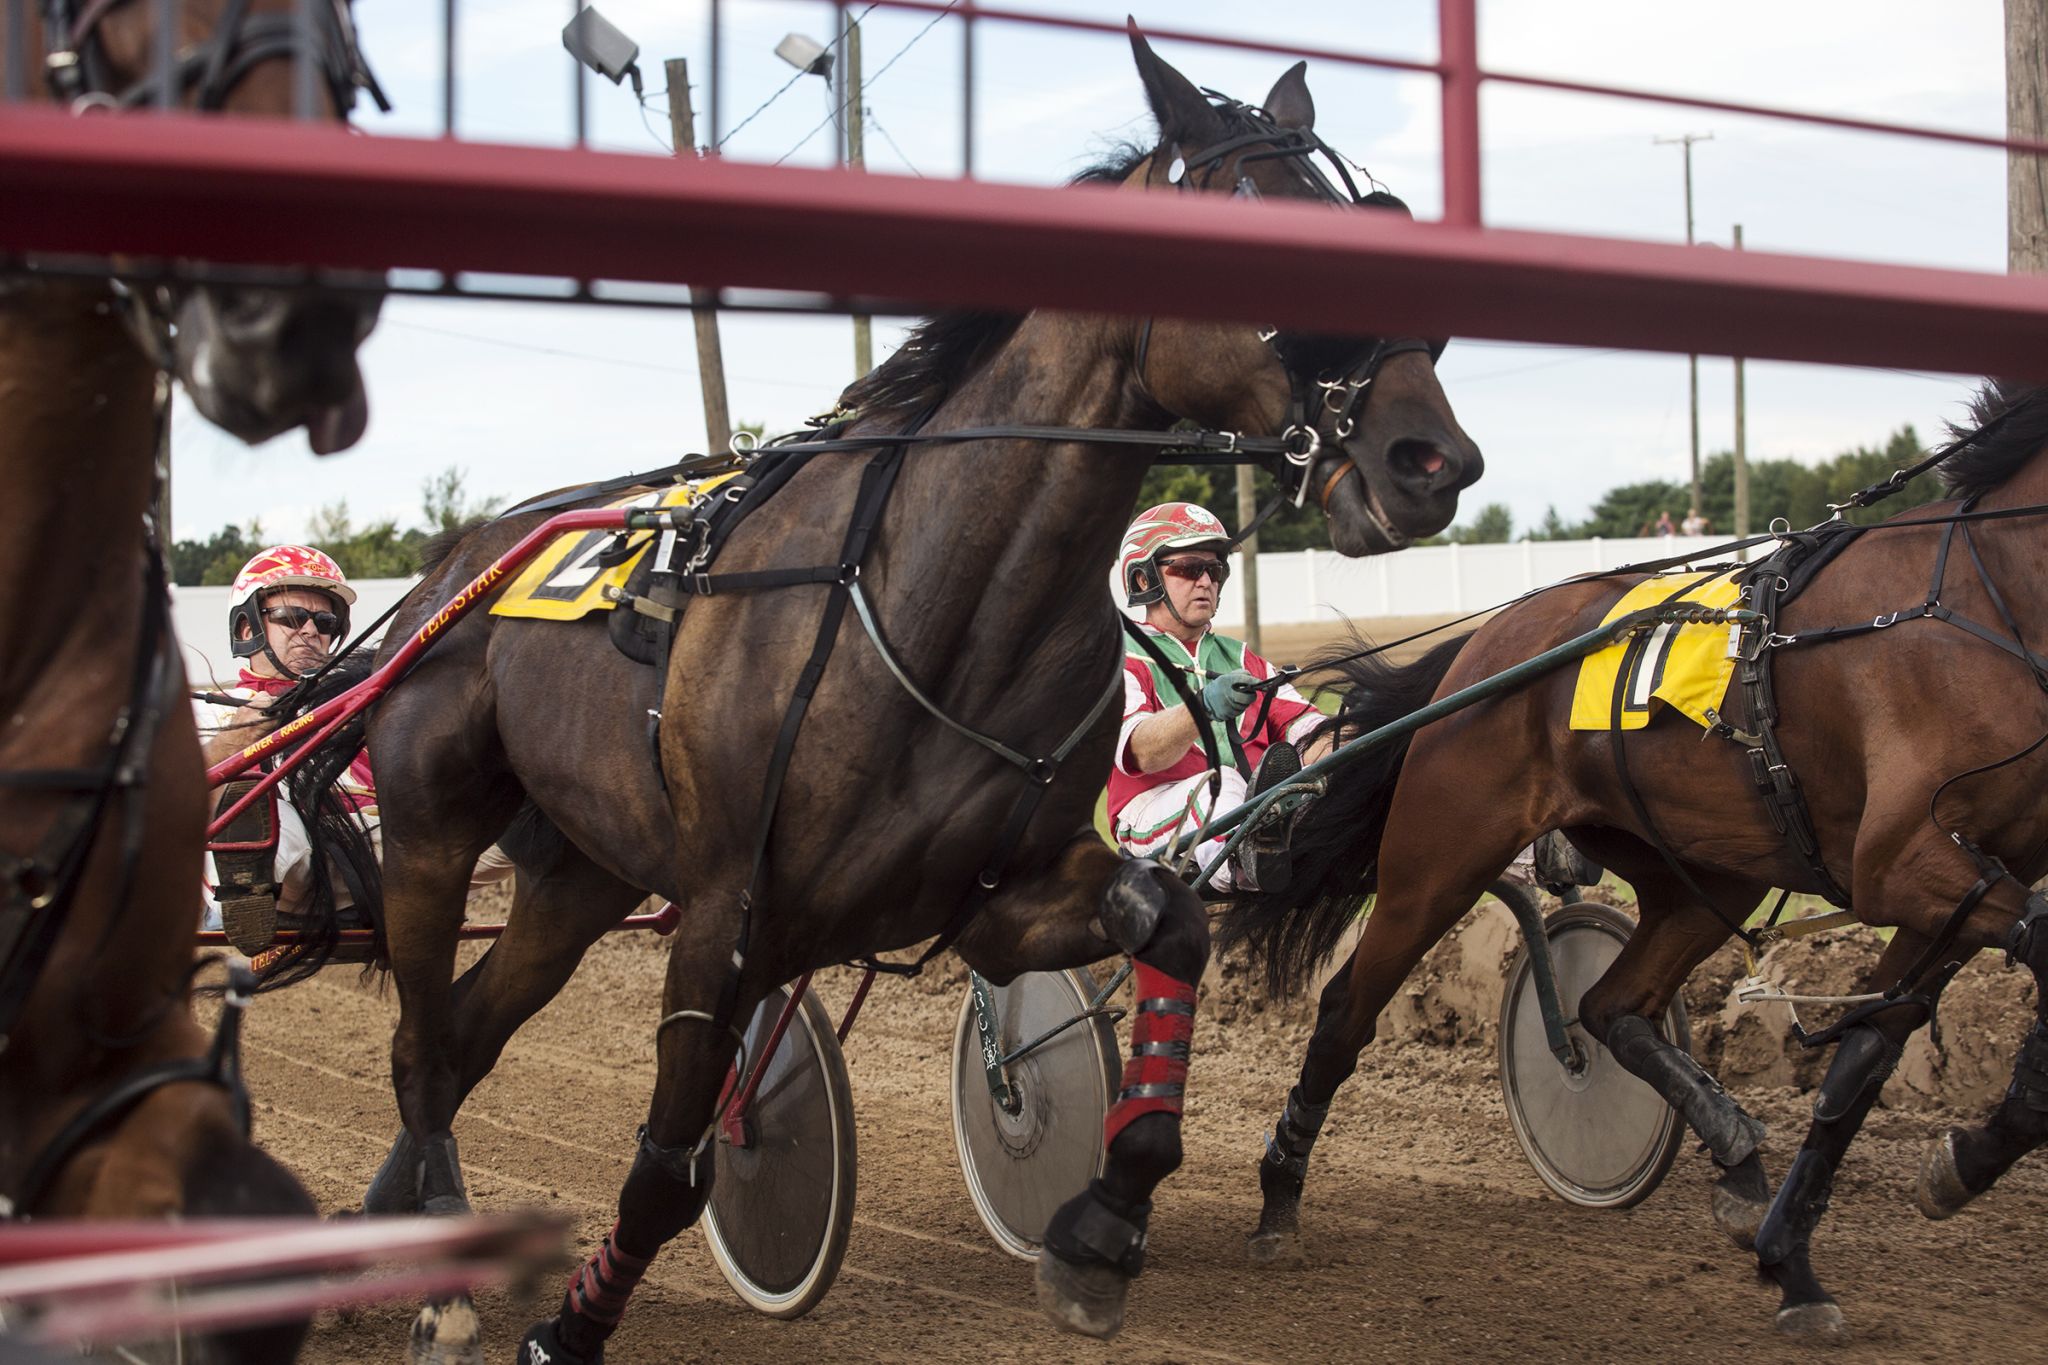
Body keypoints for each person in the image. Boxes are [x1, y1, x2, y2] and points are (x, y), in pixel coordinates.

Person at [195, 545, 511, 948]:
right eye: (292, 617)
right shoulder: (211, 716)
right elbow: (172, 811)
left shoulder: (364, 704)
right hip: (296, 868)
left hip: (390, 855)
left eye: (324, 621)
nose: (310, 631)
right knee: (256, 802)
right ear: (247, 628)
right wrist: (240, 739)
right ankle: (249, 891)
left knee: (524, 819)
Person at [1109, 502, 1330, 893]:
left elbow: (1307, 727)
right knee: (1220, 784)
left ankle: (1266, 841)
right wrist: (1203, 707)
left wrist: (1347, 738)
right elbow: (1141, 751)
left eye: (1215, 570)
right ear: (1144, 580)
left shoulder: (1240, 656)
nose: (1206, 581)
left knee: (1319, 776)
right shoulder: (1120, 657)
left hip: (1246, 805)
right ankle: (1246, 868)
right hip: (1151, 815)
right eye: (1190, 568)